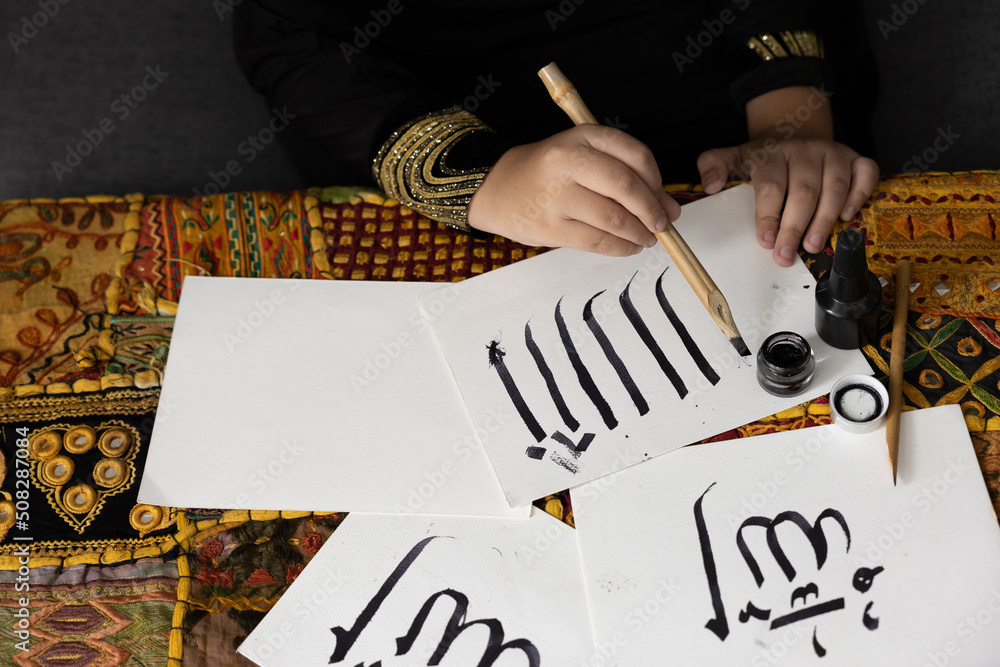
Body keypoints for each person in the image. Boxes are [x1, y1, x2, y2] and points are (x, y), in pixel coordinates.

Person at [234, 0, 878, 266]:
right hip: (453, 149)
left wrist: (789, 117)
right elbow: (293, 39)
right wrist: (486, 180)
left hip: (719, 114)